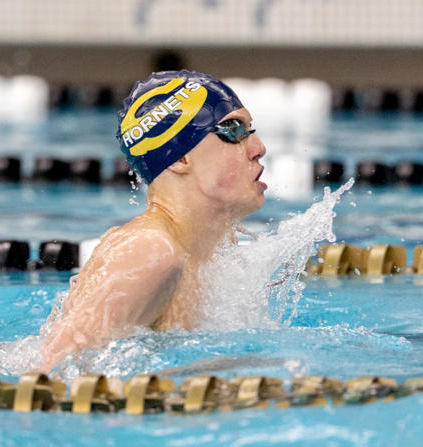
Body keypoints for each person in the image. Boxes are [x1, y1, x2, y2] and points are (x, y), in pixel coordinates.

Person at [38, 70, 267, 373]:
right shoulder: (151, 252)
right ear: (179, 158)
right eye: (234, 131)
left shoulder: (209, 249)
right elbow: (50, 375)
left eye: (251, 130)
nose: (259, 148)